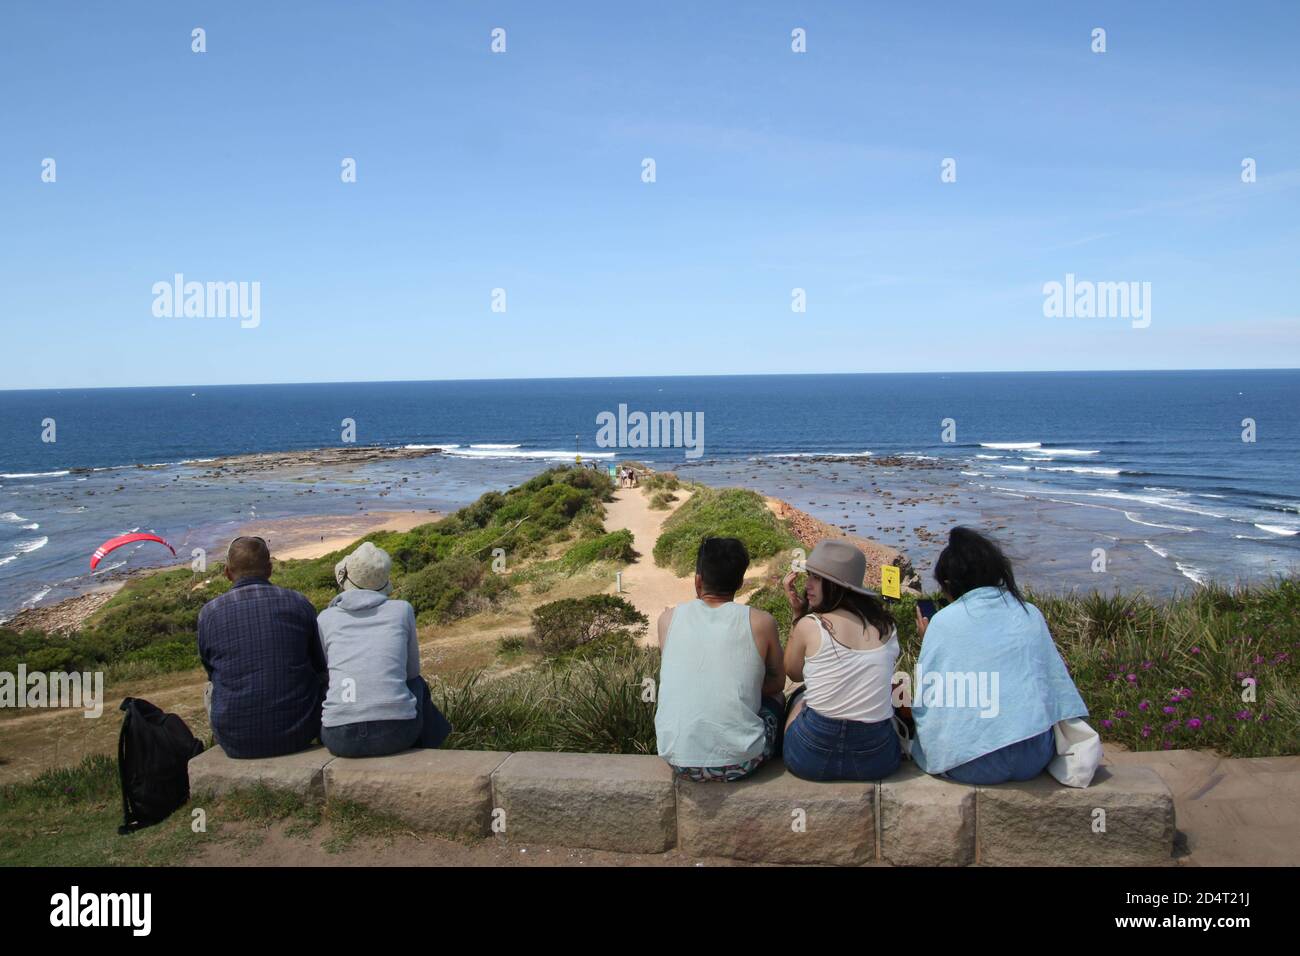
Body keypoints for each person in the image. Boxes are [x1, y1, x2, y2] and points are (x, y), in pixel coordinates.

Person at [911, 527, 1087, 785]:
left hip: (970, 764)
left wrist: (929, 638)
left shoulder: (943, 622)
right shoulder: (1029, 613)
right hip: (1033, 757)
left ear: (949, 583)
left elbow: (929, 699)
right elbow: (1053, 686)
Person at [654, 537, 785, 782]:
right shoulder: (761, 621)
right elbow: (778, 682)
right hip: (742, 762)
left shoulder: (668, 619)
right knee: (777, 698)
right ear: (740, 582)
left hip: (677, 759)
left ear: (698, 580)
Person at [780, 540, 902, 781]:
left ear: (835, 585)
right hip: (876, 759)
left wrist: (798, 615)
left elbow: (794, 673)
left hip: (811, 757)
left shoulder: (810, 625)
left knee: (798, 696)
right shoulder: (886, 627)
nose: (808, 586)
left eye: (816, 578)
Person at [317, 542, 452, 758]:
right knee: (417, 683)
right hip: (398, 733)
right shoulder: (402, 610)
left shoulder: (325, 618)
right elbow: (411, 672)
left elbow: (328, 669)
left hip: (339, 738)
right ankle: (435, 749)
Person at [198, 536, 326, 759]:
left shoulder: (209, 613)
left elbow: (211, 670)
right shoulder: (298, 602)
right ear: (269, 569)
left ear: (227, 573)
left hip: (236, 741)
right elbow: (318, 665)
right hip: (301, 731)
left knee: (211, 687)